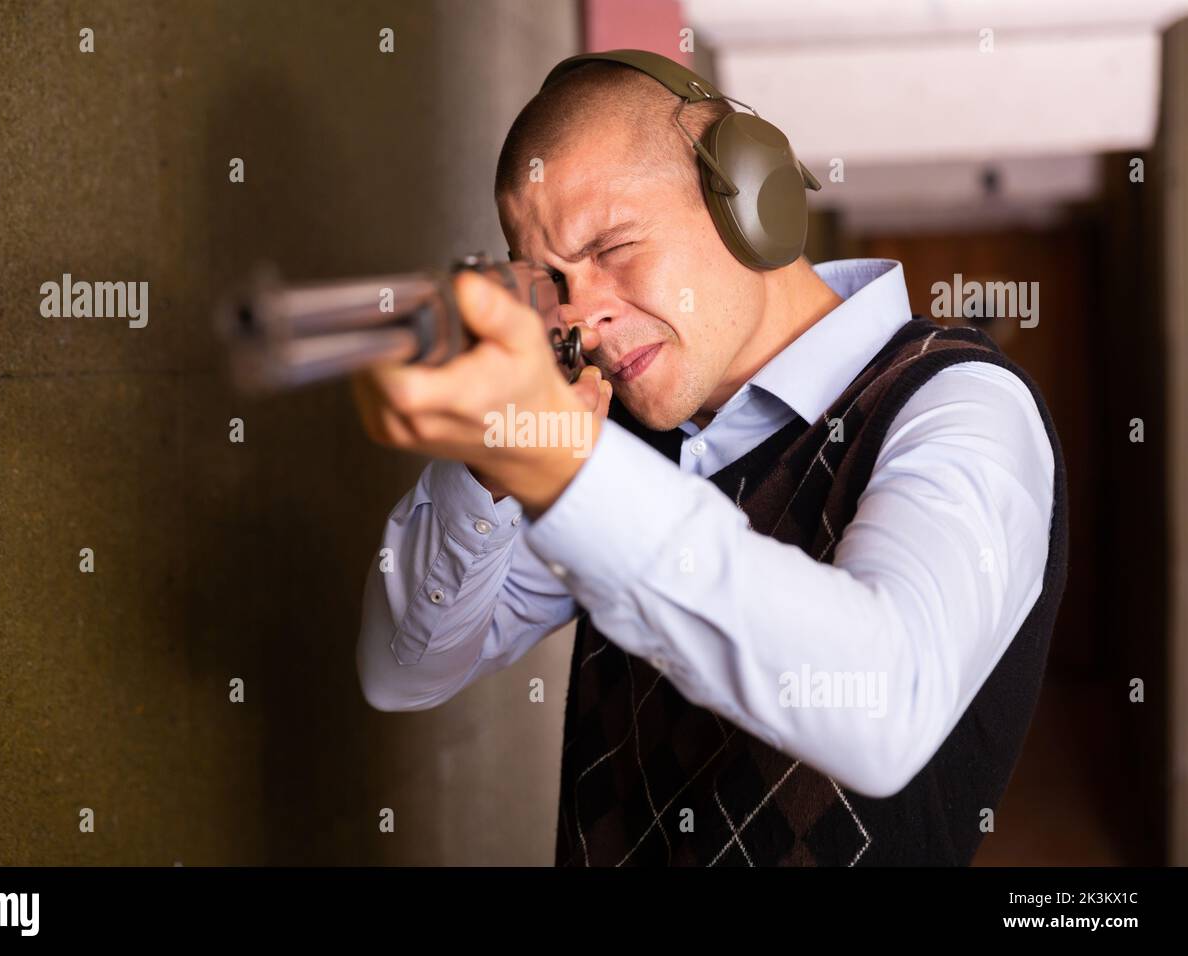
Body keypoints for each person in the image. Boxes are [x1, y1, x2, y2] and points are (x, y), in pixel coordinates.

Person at [352, 50, 1068, 866]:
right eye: (554, 281)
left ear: (749, 199)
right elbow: (403, 672)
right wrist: (487, 464)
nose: (582, 322)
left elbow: (884, 702)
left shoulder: (961, 407)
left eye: (613, 247)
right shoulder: (614, 436)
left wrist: (570, 474)